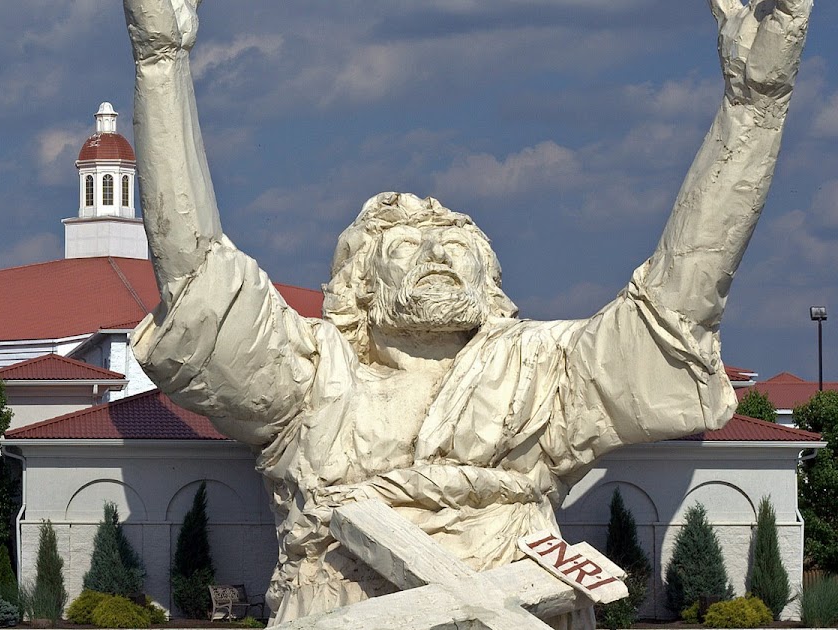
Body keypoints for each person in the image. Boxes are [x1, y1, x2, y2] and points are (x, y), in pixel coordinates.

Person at [123, 0, 813, 624]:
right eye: (408, 245)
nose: (438, 252)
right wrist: (162, 63)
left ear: (491, 278)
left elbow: (677, 303)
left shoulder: (546, 375)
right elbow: (199, 281)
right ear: (360, 280)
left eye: (457, 241)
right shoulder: (309, 379)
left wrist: (754, 110)